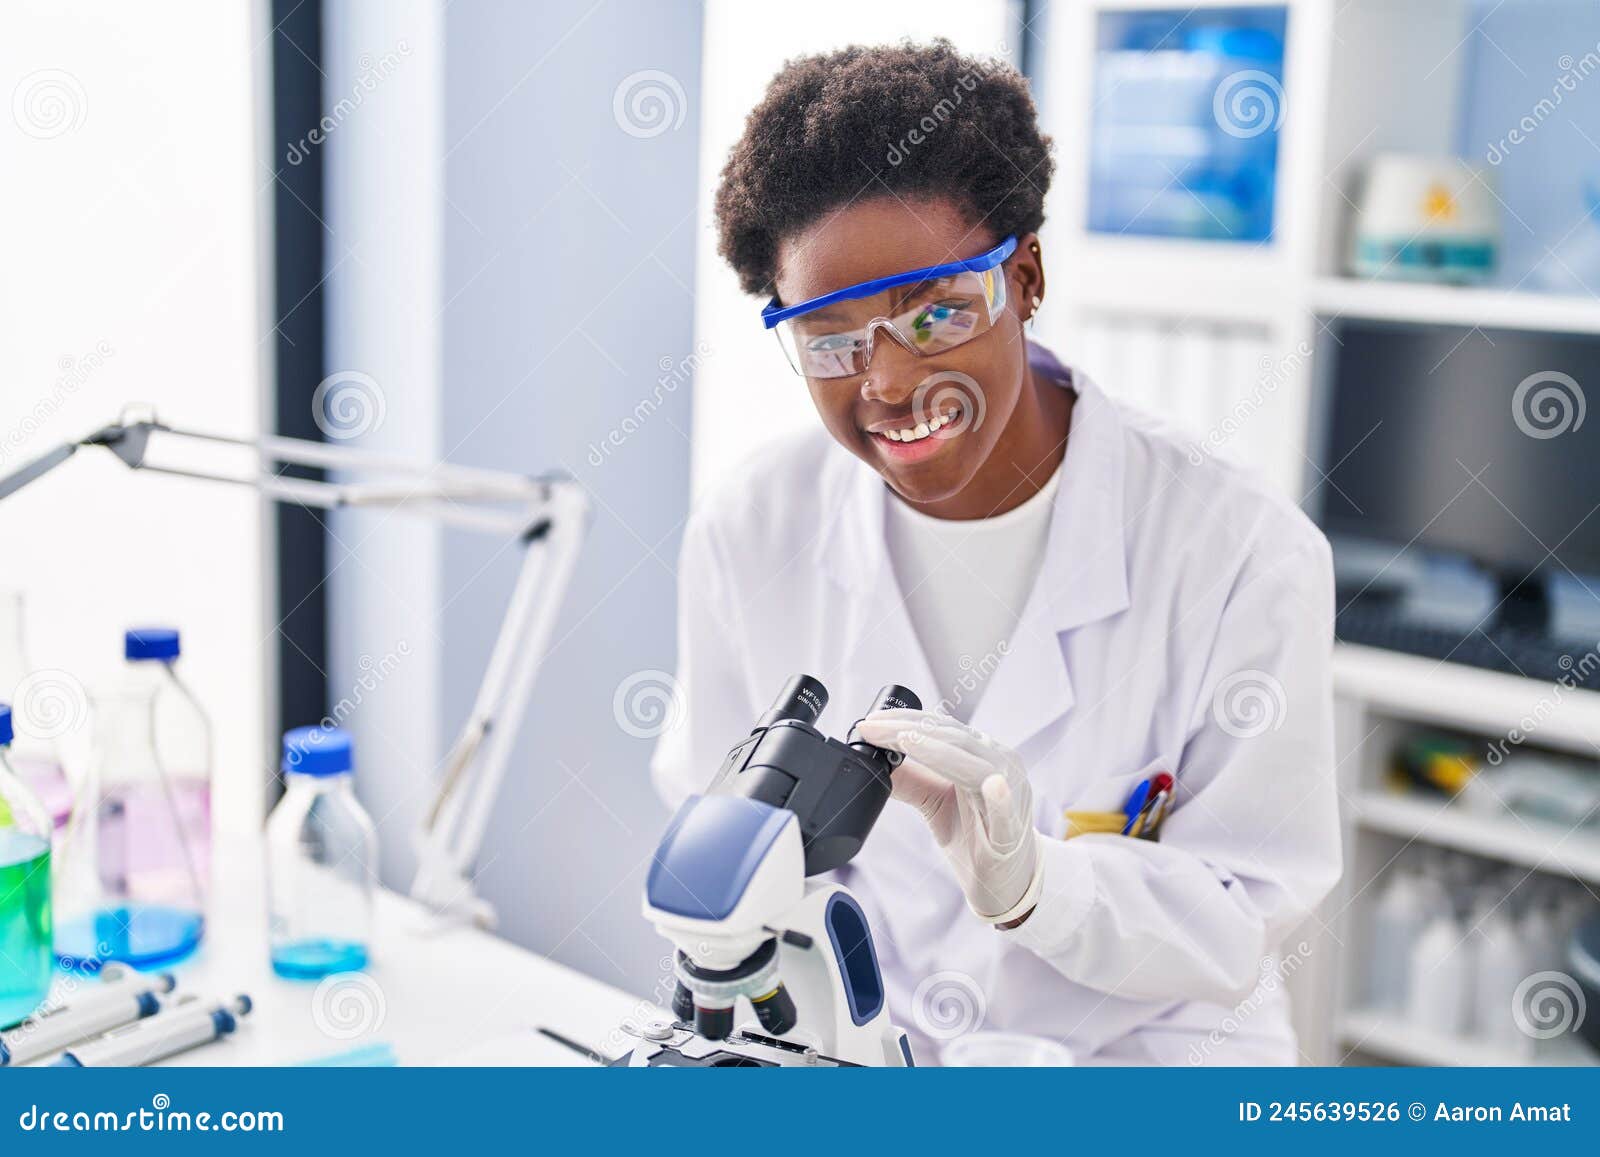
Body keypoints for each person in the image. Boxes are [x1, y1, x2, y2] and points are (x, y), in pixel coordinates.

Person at [651, 40, 1341, 1065]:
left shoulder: (1240, 550)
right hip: (867, 1051)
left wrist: (1039, 887)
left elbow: (1245, 910)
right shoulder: (750, 527)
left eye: (935, 311)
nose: (887, 382)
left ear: (1024, 276)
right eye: (830, 337)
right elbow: (719, 837)